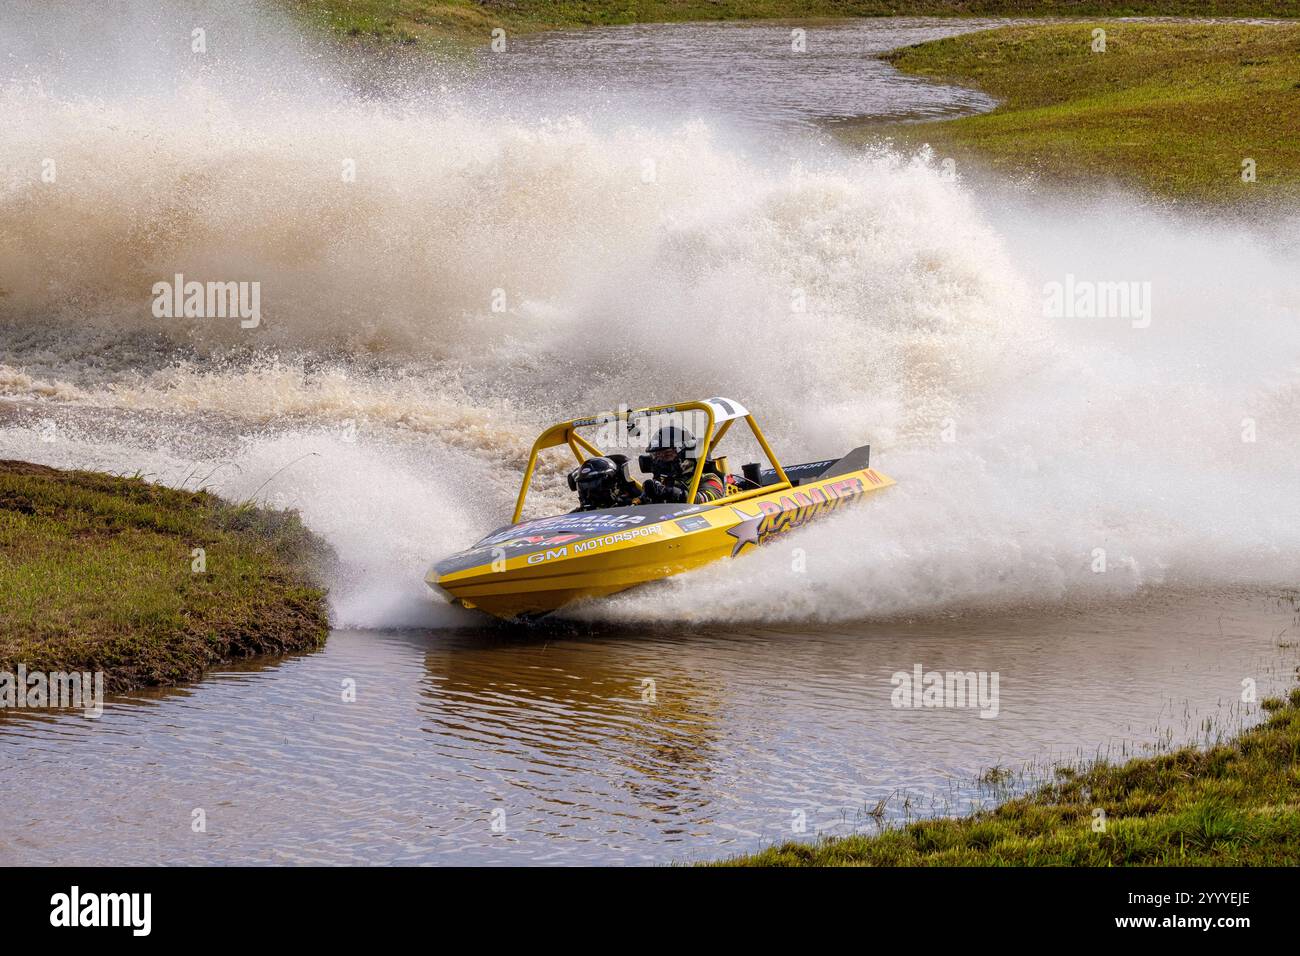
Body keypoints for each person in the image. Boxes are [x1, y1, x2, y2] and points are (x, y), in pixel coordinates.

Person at [638, 425, 726, 504]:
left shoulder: (709, 478)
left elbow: (705, 499)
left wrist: (669, 492)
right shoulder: (662, 481)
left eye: (667, 454)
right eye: (657, 456)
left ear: (686, 454)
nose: (660, 461)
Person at [568, 455, 640, 511]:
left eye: (595, 484)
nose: (589, 492)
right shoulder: (575, 515)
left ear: (613, 482)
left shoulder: (636, 504)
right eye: (583, 486)